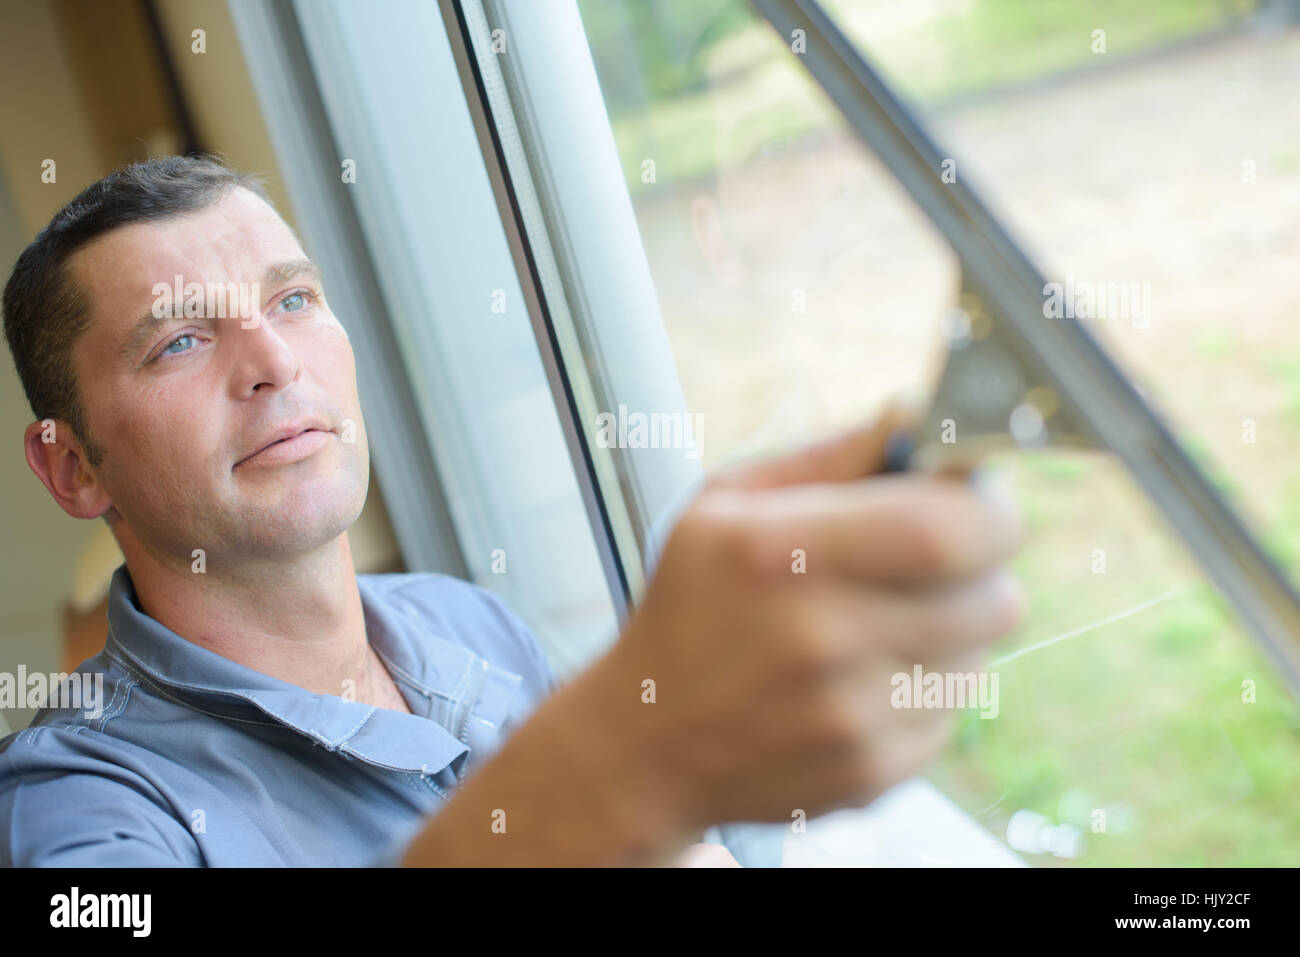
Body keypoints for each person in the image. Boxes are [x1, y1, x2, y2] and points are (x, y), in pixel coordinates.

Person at [0, 155, 1024, 867]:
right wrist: (636, 765)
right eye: (179, 343)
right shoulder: (80, 805)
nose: (272, 364)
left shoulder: (464, 622)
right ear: (73, 471)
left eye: (293, 301)